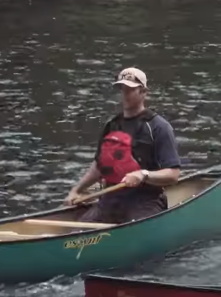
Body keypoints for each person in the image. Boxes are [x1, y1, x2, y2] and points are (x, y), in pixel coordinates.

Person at [64, 67, 182, 223]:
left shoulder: (159, 127)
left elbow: (173, 175)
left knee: (136, 228)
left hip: (145, 202)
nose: (125, 94)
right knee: (77, 231)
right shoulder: (112, 125)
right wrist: (76, 190)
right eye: (122, 89)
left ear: (143, 92)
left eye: (130, 90)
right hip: (109, 201)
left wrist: (144, 175)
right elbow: (99, 166)